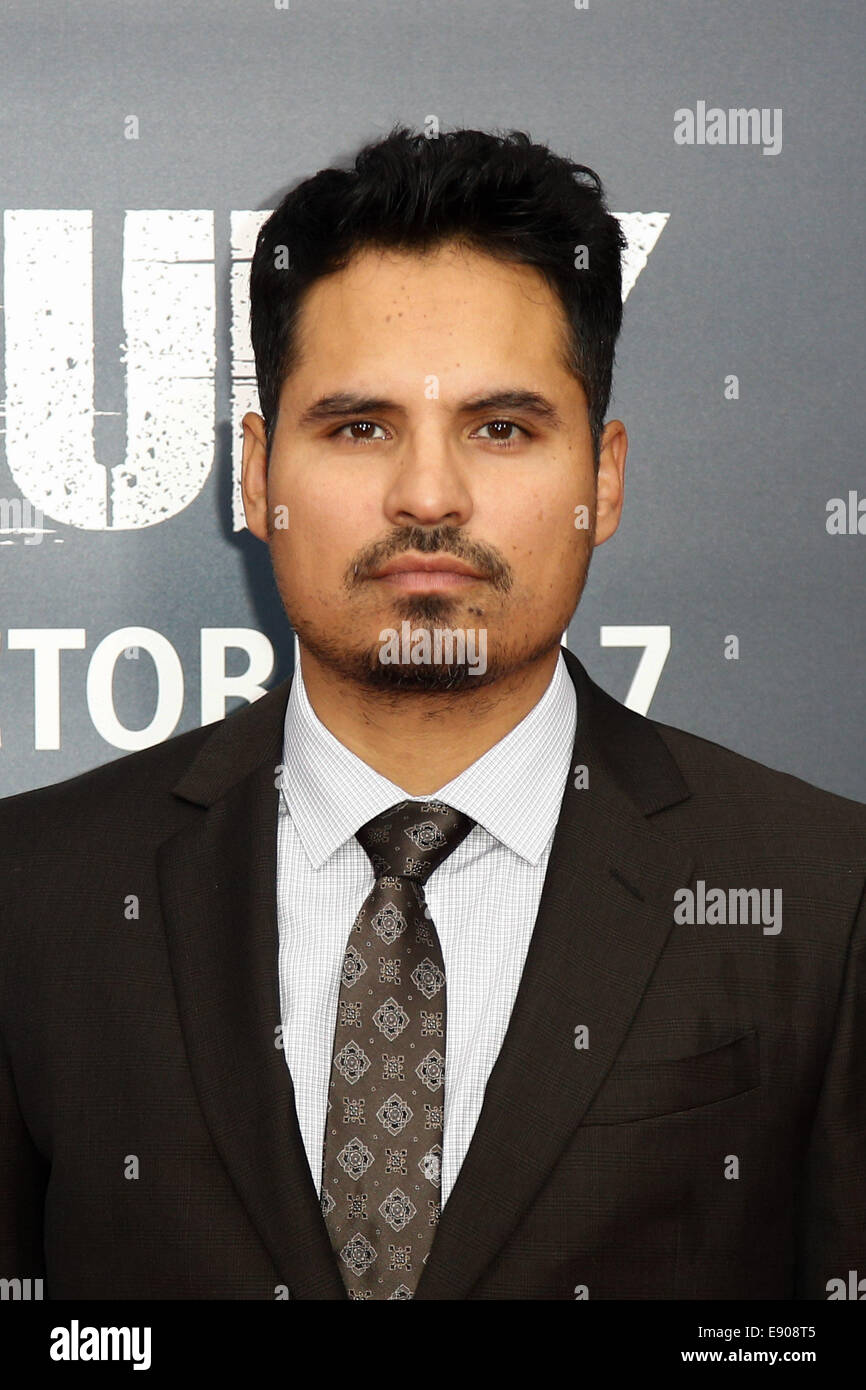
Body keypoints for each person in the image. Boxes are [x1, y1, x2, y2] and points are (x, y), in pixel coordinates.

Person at [1, 126, 863, 1301]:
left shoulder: (821, 899)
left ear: (601, 479)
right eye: (359, 427)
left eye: (499, 427)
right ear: (256, 478)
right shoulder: (32, 894)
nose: (426, 496)